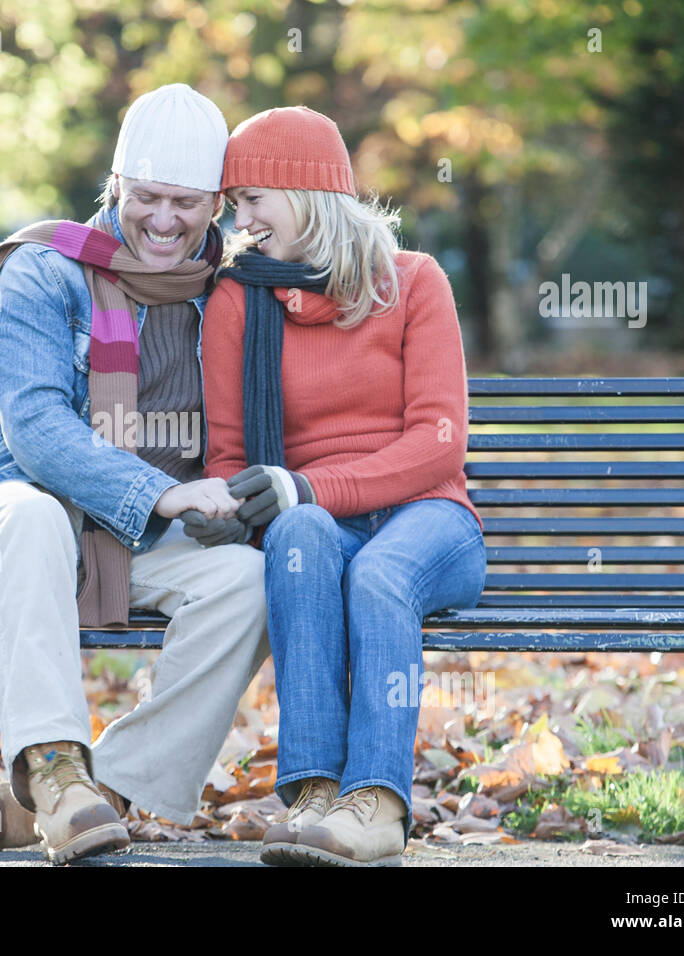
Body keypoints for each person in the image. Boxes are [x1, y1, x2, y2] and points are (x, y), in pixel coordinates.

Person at [0, 84, 270, 865]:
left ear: (215, 203)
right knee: (35, 513)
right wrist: (163, 491)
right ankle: (51, 773)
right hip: (19, 517)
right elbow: (39, 431)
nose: (163, 220)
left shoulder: (232, 289)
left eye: (185, 202)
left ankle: (101, 791)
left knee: (248, 582)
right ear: (116, 187)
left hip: (147, 537)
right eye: (145, 196)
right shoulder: (44, 273)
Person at [199, 106, 488, 866]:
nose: (243, 221)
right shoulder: (242, 297)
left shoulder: (413, 283)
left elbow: (438, 443)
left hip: (428, 517)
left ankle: (379, 802)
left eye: (254, 200)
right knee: (297, 537)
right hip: (316, 520)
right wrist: (231, 503)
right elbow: (230, 453)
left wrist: (308, 487)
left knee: (379, 570)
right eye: (235, 206)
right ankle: (317, 790)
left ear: (306, 192)